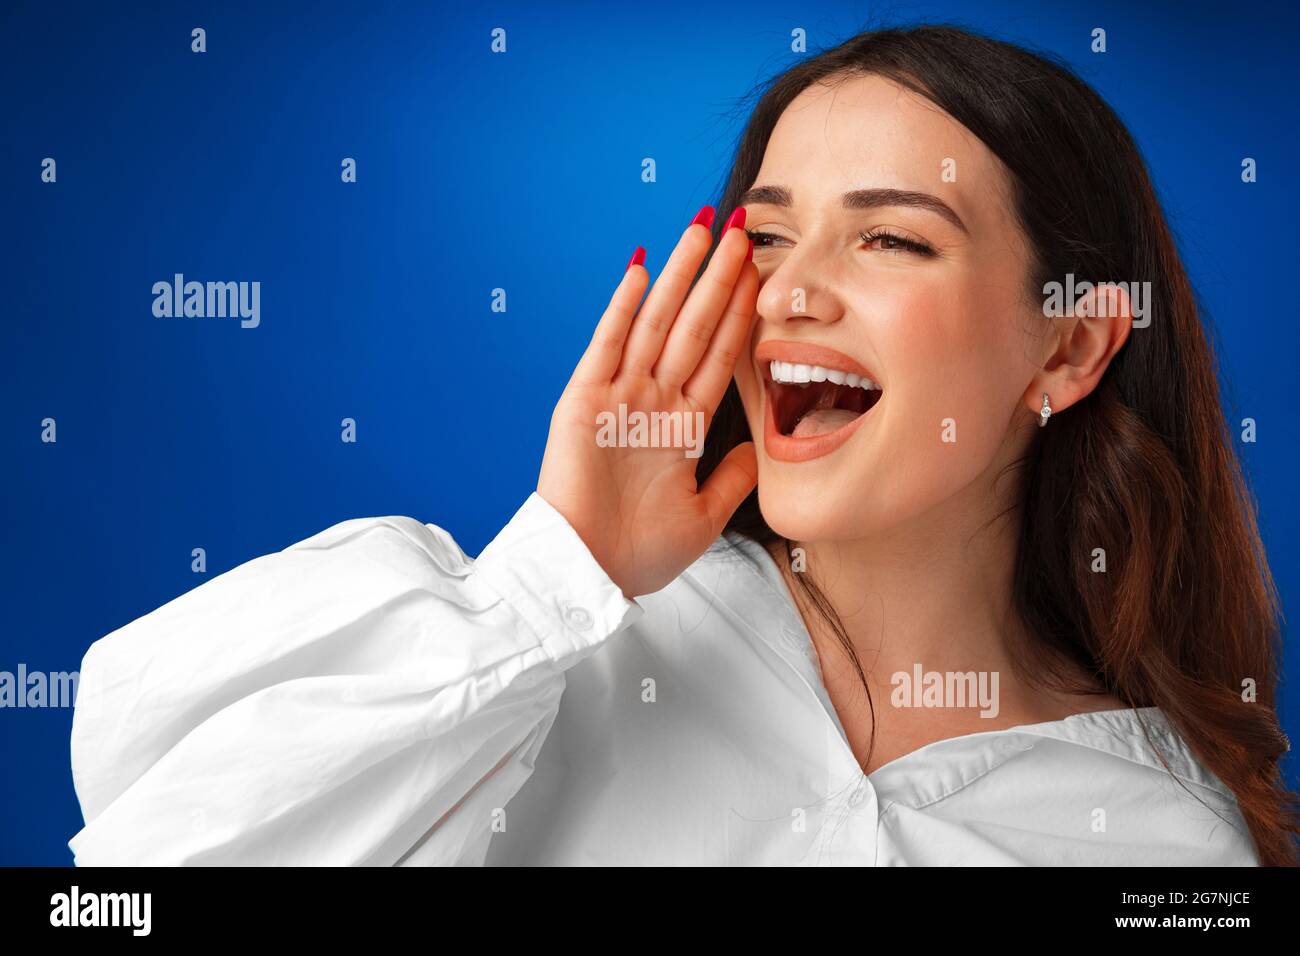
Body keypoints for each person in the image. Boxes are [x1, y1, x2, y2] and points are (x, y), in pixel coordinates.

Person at [68, 25, 1295, 866]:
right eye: (767, 237)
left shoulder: (1161, 840)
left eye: (890, 239)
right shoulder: (531, 653)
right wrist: (554, 572)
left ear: (1068, 347)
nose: (790, 294)